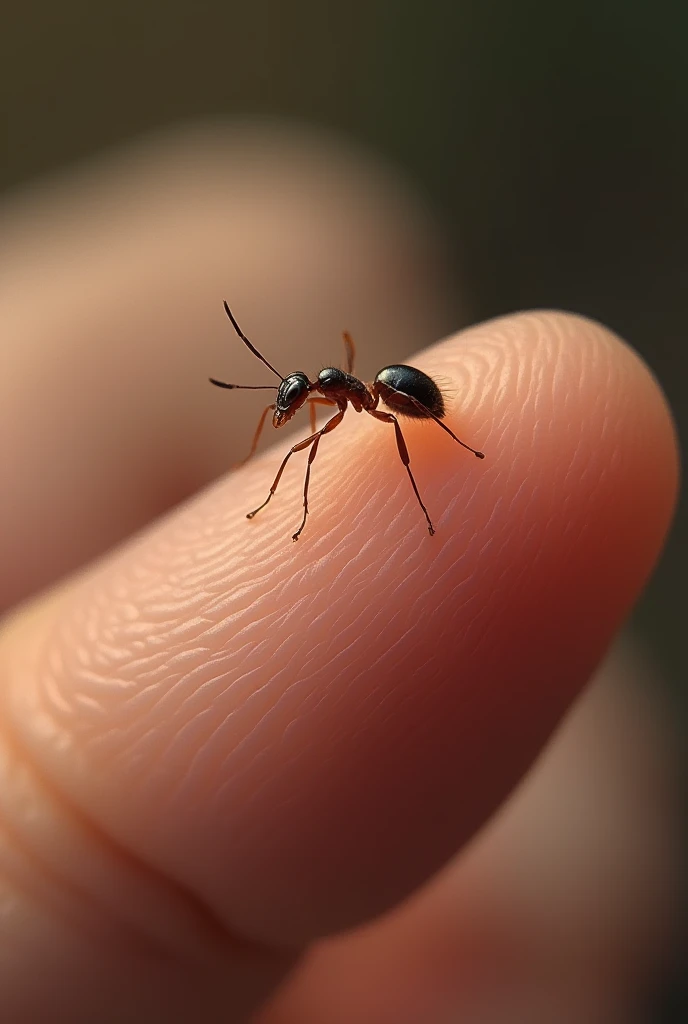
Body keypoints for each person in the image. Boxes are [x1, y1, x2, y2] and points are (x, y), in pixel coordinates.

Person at [0, 126, 679, 1023]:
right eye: (295, 400)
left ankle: (394, 480)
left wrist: (440, 456)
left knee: (328, 461)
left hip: (418, 401)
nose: (294, 408)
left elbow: (374, 411)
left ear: (317, 391)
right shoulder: (333, 392)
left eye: (294, 398)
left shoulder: (364, 399)